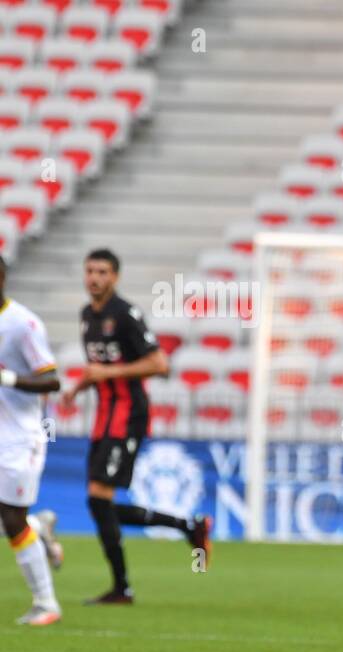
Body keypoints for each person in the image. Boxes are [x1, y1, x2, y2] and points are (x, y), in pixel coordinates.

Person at [62, 249, 210, 605]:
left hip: (128, 415)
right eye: (90, 271)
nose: (94, 278)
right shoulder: (87, 316)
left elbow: (160, 364)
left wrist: (107, 374)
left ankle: (122, 588)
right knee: (99, 503)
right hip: (103, 416)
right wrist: (78, 388)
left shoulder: (126, 315)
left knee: (99, 497)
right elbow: (98, 365)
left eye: (102, 271)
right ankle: (189, 527)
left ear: (115, 277)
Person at [0, 255, 63, 625]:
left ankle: (46, 604)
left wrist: (7, 379)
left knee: (11, 517)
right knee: (11, 519)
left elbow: (52, 380)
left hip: (19, 440)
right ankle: (41, 529)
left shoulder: (23, 325)